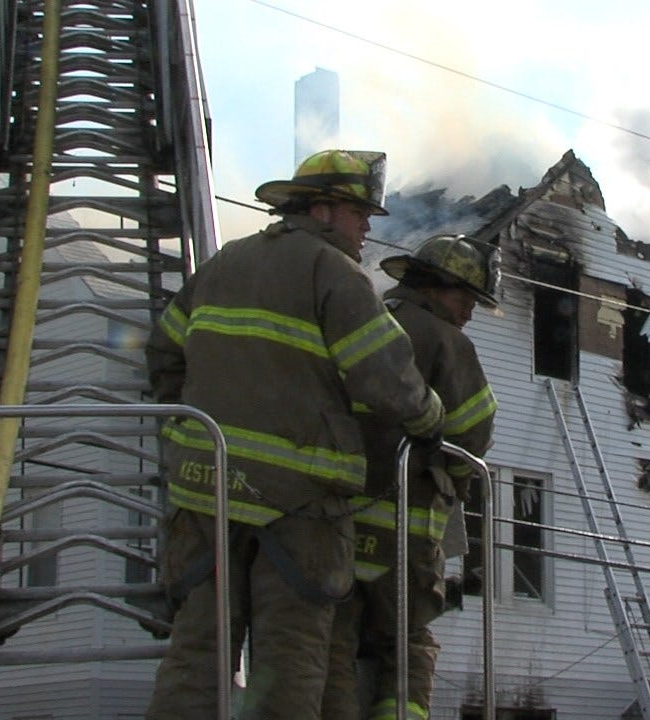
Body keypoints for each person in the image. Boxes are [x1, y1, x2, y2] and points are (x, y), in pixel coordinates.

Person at [143, 150, 445, 720]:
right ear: (323, 209)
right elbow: (386, 377)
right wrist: (430, 421)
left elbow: (164, 352)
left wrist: (187, 428)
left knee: (197, 651)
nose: (366, 229)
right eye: (359, 214)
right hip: (299, 504)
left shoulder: (224, 263)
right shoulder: (335, 274)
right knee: (290, 658)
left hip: (205, 492)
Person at [323, 234, 500, 720]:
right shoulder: (445, 340)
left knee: (335, 645)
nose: (469, 313)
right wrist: (454, 480)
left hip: (334, 522)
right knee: (408, 643)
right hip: (404, 530)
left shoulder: (365, 324)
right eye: (466, 300)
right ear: (436, 287)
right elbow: (473, 432)